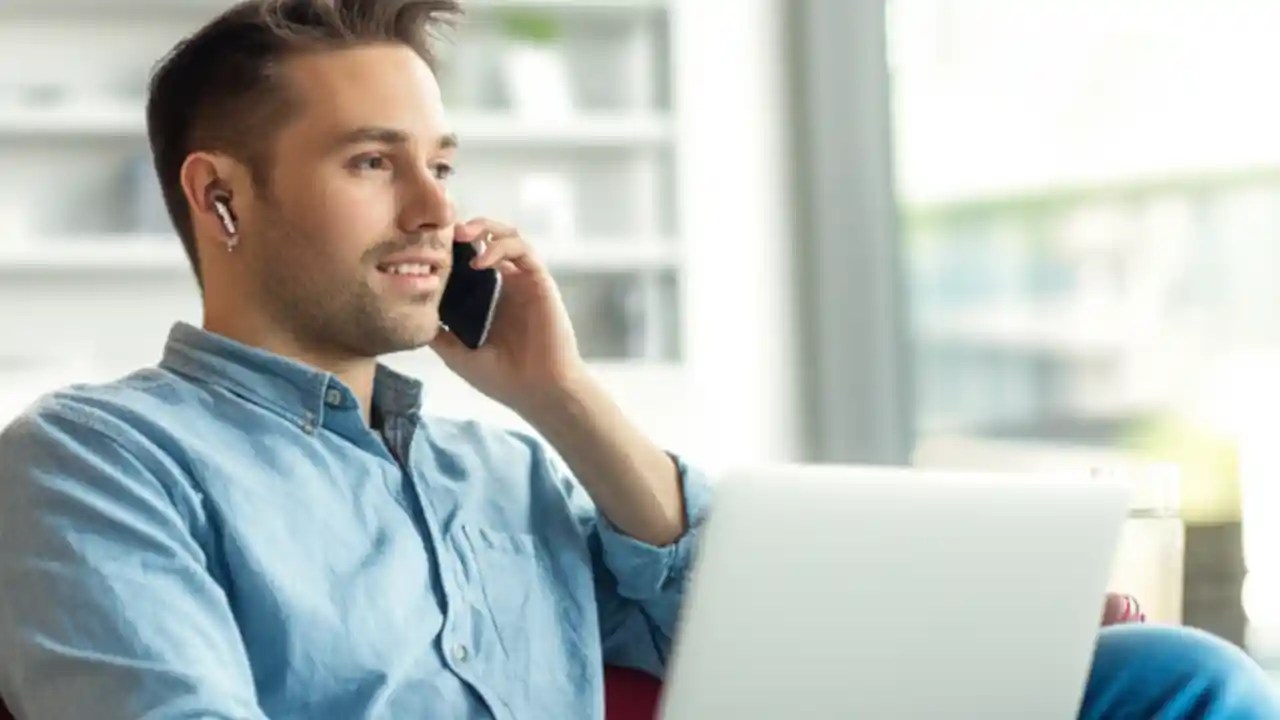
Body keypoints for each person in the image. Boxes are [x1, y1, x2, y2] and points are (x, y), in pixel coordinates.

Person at [0, 1, 1275, 718]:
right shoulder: (100, 460)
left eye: (441, 165)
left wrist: (559, 397)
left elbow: (756, 643)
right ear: (219, 197)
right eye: (372, 162)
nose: (436, 211)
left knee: (1177, 678)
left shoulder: (505, 468)